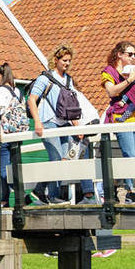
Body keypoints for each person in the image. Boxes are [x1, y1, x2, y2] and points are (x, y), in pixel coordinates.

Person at [27, 46, 96, 204]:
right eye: (64, 60)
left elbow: (72, 105)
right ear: (56, 60)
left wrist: (77, 127)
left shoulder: (69, 80)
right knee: (56, 158)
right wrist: (37, 122)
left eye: (69, 61)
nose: (67, 63)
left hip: (64, 123)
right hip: (48, 121)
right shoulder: (45, 78)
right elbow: (32, 99)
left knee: (66, 158)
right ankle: (52, 196)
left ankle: (39, 189)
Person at [100, 40, 135, 202]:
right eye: (130, 54)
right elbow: (112, 92)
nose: (133, 57)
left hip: (134, 116)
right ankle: (129, 190)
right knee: (130, 155)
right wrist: (129, 80)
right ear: (119, 55)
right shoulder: (109, 71)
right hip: (121, 117)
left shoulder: (132, 70)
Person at [0, 64, 20, 205]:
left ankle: (4, 200)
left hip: (3, 133)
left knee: (2, 169)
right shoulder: (17, 91)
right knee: (14, 167)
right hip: (16, 134)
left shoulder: (0, 91)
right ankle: (20, 197)